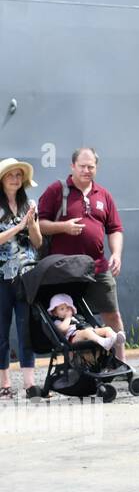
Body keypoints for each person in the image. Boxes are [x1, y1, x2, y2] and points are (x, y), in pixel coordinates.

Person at [37, 146, 125, 337]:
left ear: (97, 168)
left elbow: (115, 229)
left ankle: (121, 363)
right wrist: (64, 227)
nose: (86, 171)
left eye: (91, 167)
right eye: (82, 166)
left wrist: (116, 254)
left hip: (97, 267)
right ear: (72, 166)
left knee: (113, 316)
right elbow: (39, 225)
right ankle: (78, 361)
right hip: (64, 270)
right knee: (68, 318)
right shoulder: (56, 190)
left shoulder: (104, 195)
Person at [0, 158, 43, 399]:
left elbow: (37, 242)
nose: (15, 179)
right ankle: (4, 383)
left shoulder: (28, 204)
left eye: (18, 175)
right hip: (1, 278)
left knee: (26, 330)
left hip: (26, 276)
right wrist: (19, 227)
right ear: (2, 180)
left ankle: (29, 384)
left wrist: (32, 223)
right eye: (10, 175)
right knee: (1, 331)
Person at [47, 294, 125, 362]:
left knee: (107, 329)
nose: (66, 310)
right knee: (86, 332)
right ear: (55, 313)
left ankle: (115, 338)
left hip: (87, 331)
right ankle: (103, 342)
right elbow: (63, 330)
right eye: (62, 309)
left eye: (68, 308)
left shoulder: (76, 317)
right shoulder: (58, 322)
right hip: (72, 338)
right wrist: (68, 318)